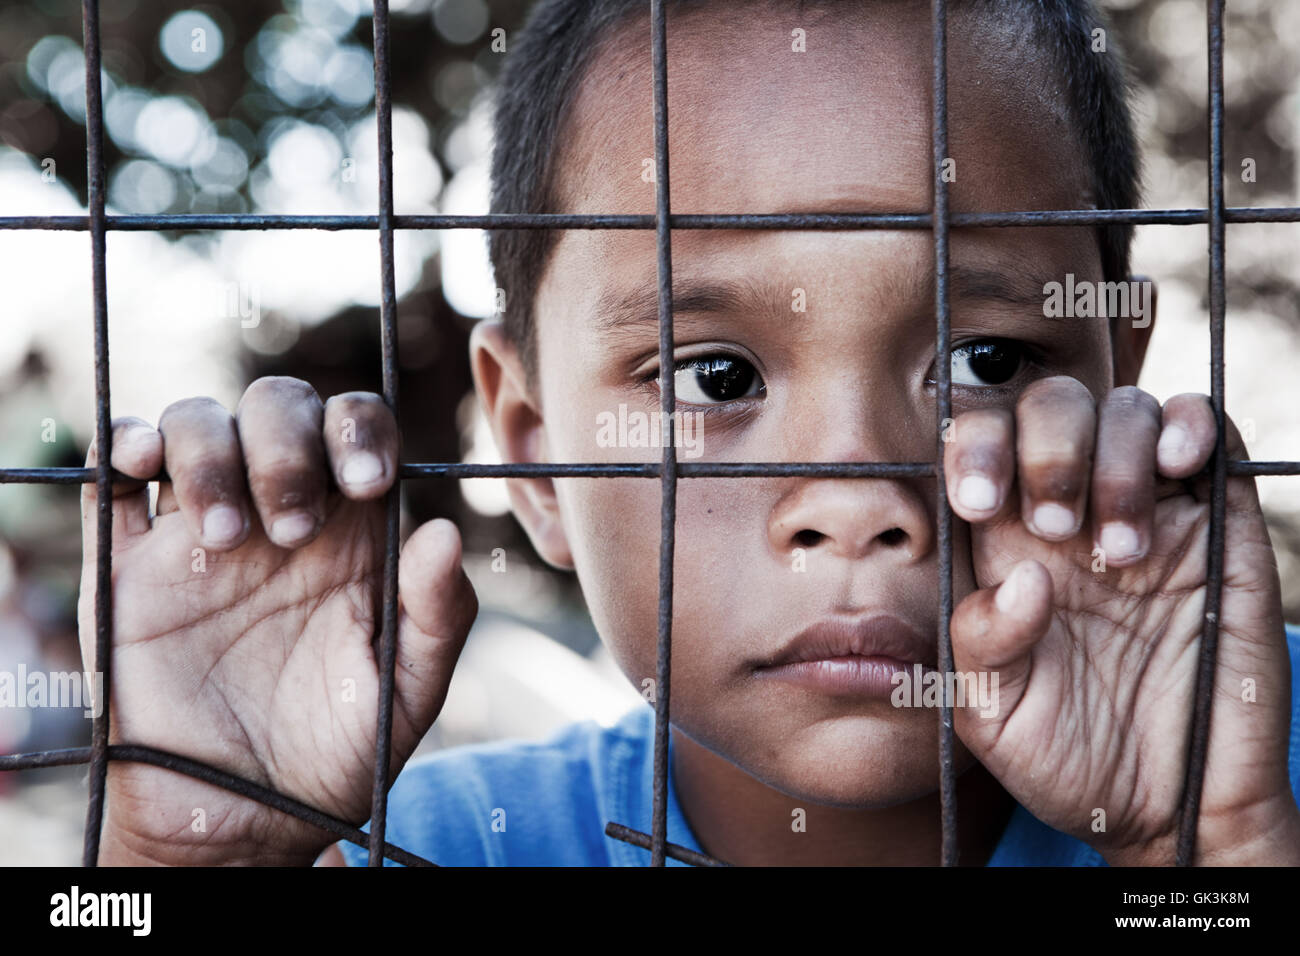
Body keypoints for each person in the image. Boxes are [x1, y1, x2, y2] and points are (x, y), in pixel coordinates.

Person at [78, 0, 1300, 866]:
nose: (859, 500)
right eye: (713, 374)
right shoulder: (439, 850)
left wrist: (1212, 854)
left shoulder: (1255, 755)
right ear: (531, 445)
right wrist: (182, 854)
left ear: (1119, 385)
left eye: (985, 362)